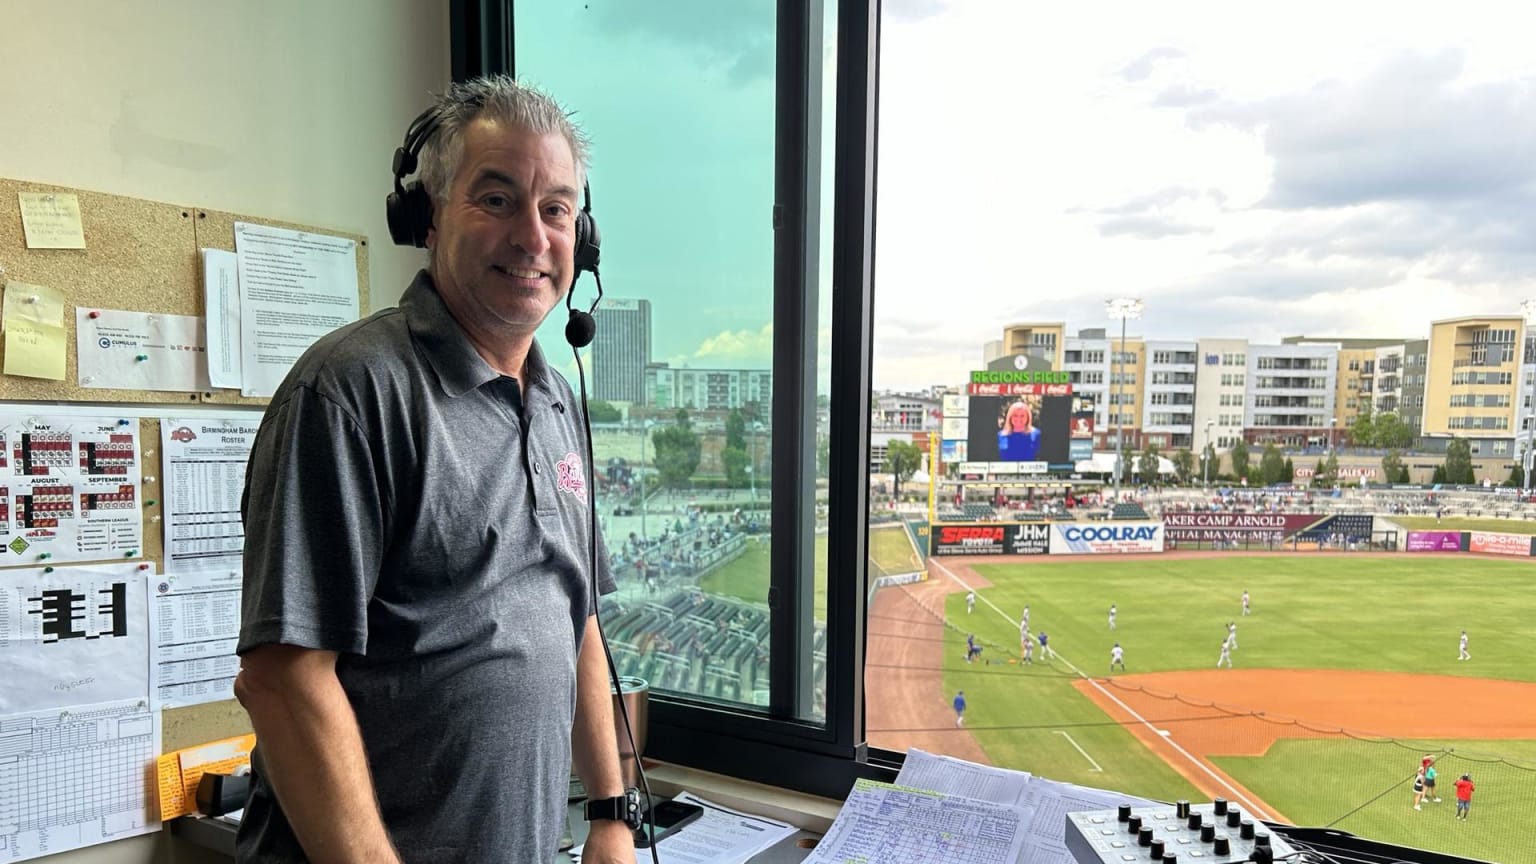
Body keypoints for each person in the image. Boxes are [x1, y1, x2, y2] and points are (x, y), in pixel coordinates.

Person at [234, 77, 633, 863]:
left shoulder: (556, 402)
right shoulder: (349, 392)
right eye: (496, 198)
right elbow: (284, 679)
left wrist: (611, 814)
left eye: (555, 208)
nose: (532, 235)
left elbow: (576, 618)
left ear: (579, 239)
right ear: (425, 217)